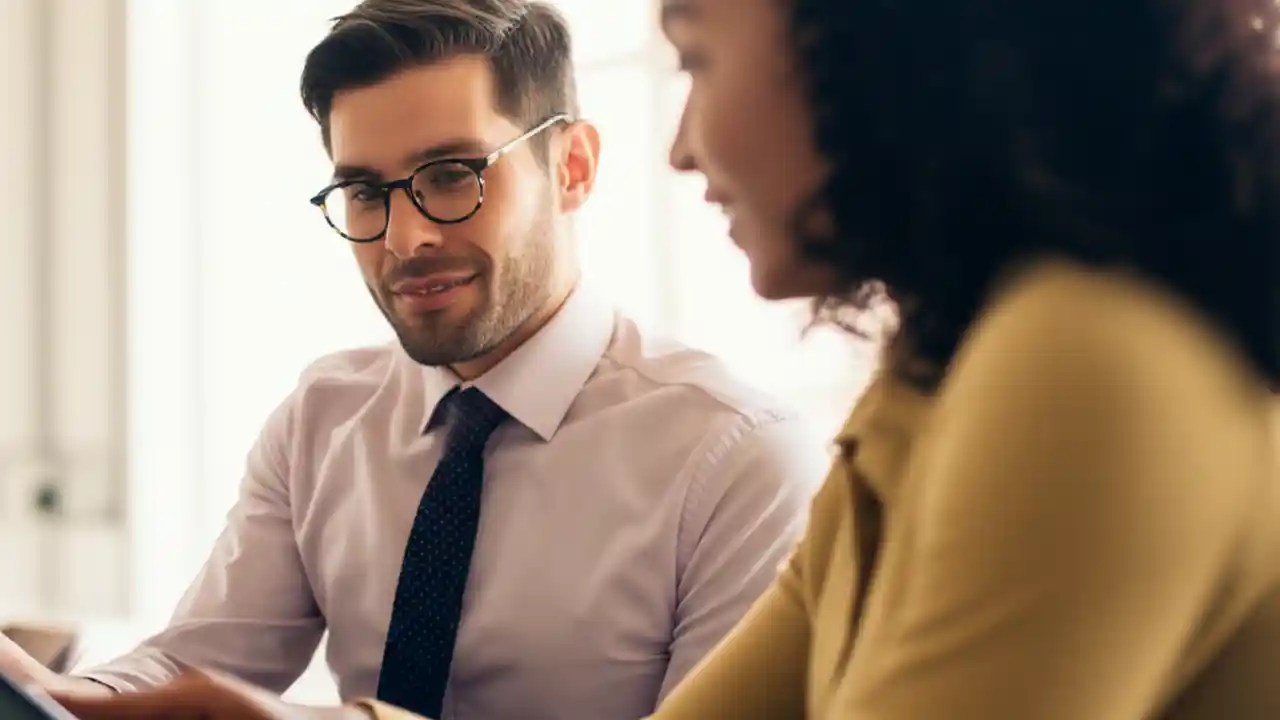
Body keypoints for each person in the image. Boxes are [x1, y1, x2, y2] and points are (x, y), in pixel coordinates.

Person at [53, 0, 1280, 718]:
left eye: (694, 54)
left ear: (867, 40)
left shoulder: (1076, 358)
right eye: (369, 192)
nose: (685, 146)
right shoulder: (930, 386)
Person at [0, 1, 827, 719]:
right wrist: (38, 692)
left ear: (572, 167)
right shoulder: (325, 417)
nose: (407, 239)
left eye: (452, 174)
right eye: (364, 191)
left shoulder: (735, 457)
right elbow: (195, 666)